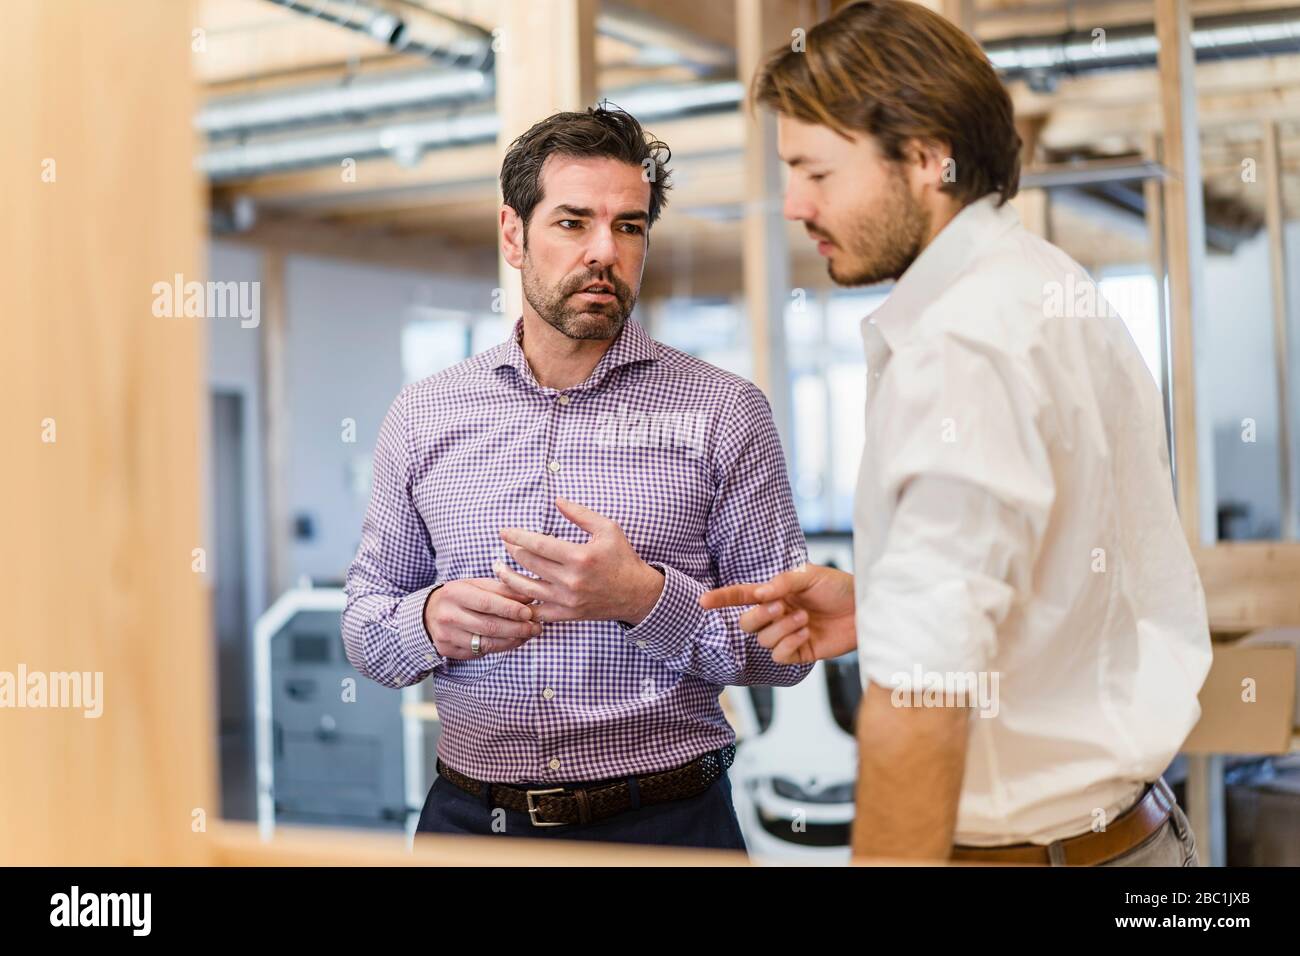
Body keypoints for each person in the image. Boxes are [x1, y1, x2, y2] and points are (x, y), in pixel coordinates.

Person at [702, 0, 1211, 866]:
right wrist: (884, 602)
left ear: (929, 157)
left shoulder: (959, 346)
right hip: (1131, 837)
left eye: (816, 172)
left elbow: (921, 706)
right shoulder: (1046, 283)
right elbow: (1063, 573)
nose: (791, 205)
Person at [343, 105, 810, 850]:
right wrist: (427, 622)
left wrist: (645, 599)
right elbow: (365, 626)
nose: (605, 251)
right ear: (512, 234)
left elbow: (785, 651)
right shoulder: (423, 415)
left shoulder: (726, 412)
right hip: (471, 827)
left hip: (668, 826)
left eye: (629, 226)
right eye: (573, 223)